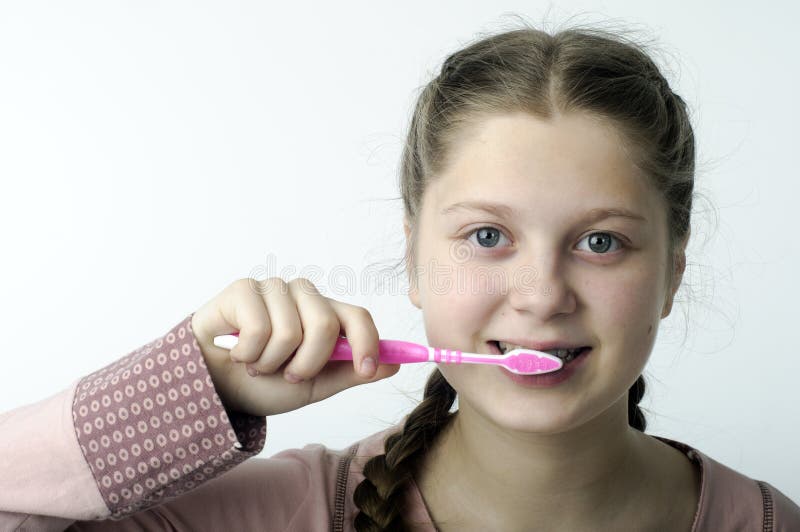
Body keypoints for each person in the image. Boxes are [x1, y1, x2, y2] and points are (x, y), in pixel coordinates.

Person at [1, 22, 798, 532]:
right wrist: (192, 393)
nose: (541, 293)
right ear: (415, 258)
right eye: (488, 235)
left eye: (600, 242)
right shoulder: (273, 516)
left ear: (672, 273)